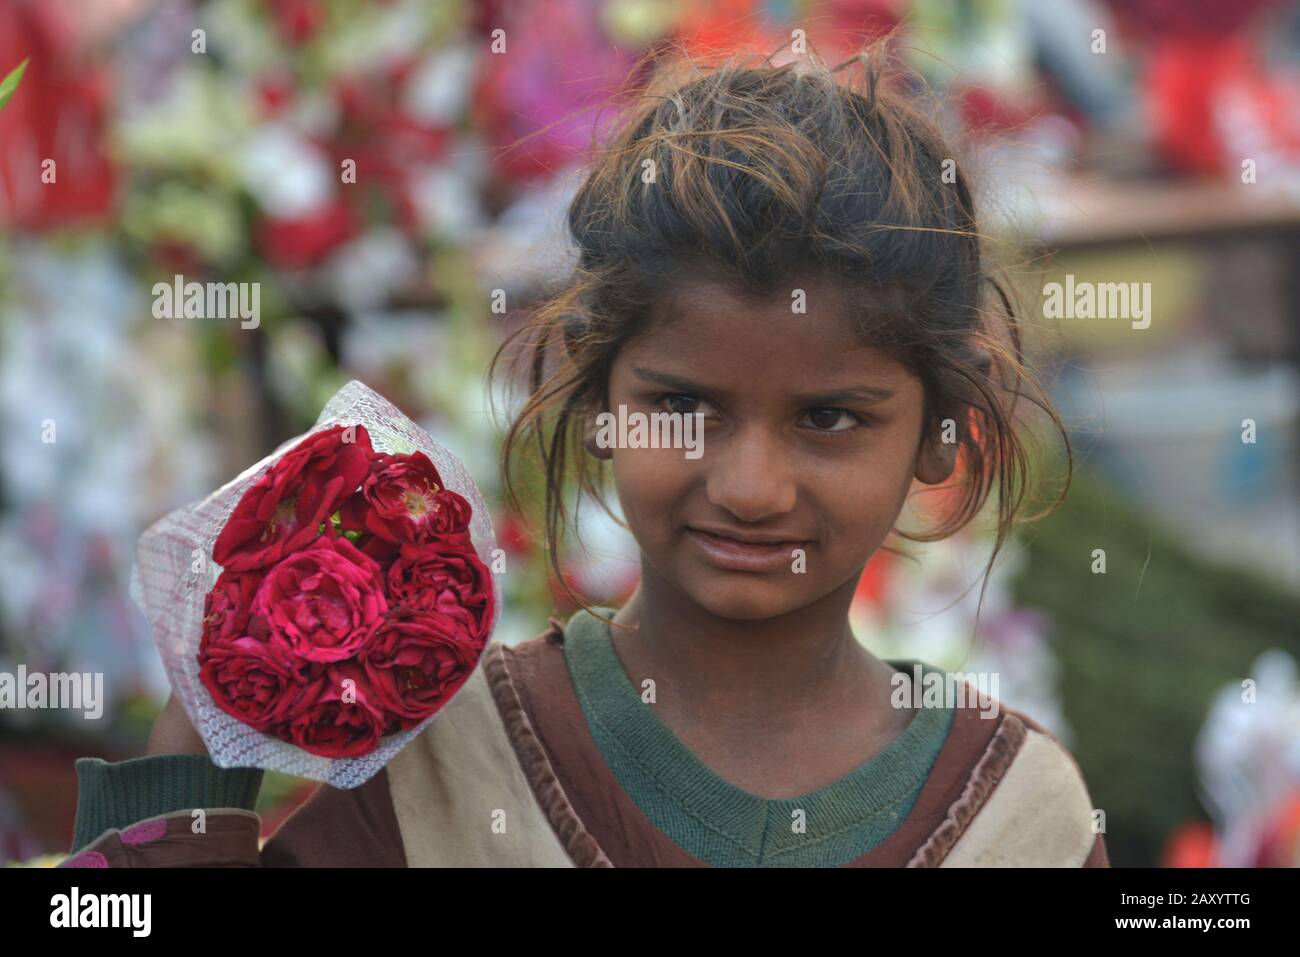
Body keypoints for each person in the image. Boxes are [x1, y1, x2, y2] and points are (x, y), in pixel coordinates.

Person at [63, 42, 1106, 868]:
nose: (749, 487)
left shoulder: (1019, 819)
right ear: (596, 398)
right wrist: (210, 718)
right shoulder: (452, 761)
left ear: (940, 434)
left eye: (830, 419)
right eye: (682, 405)